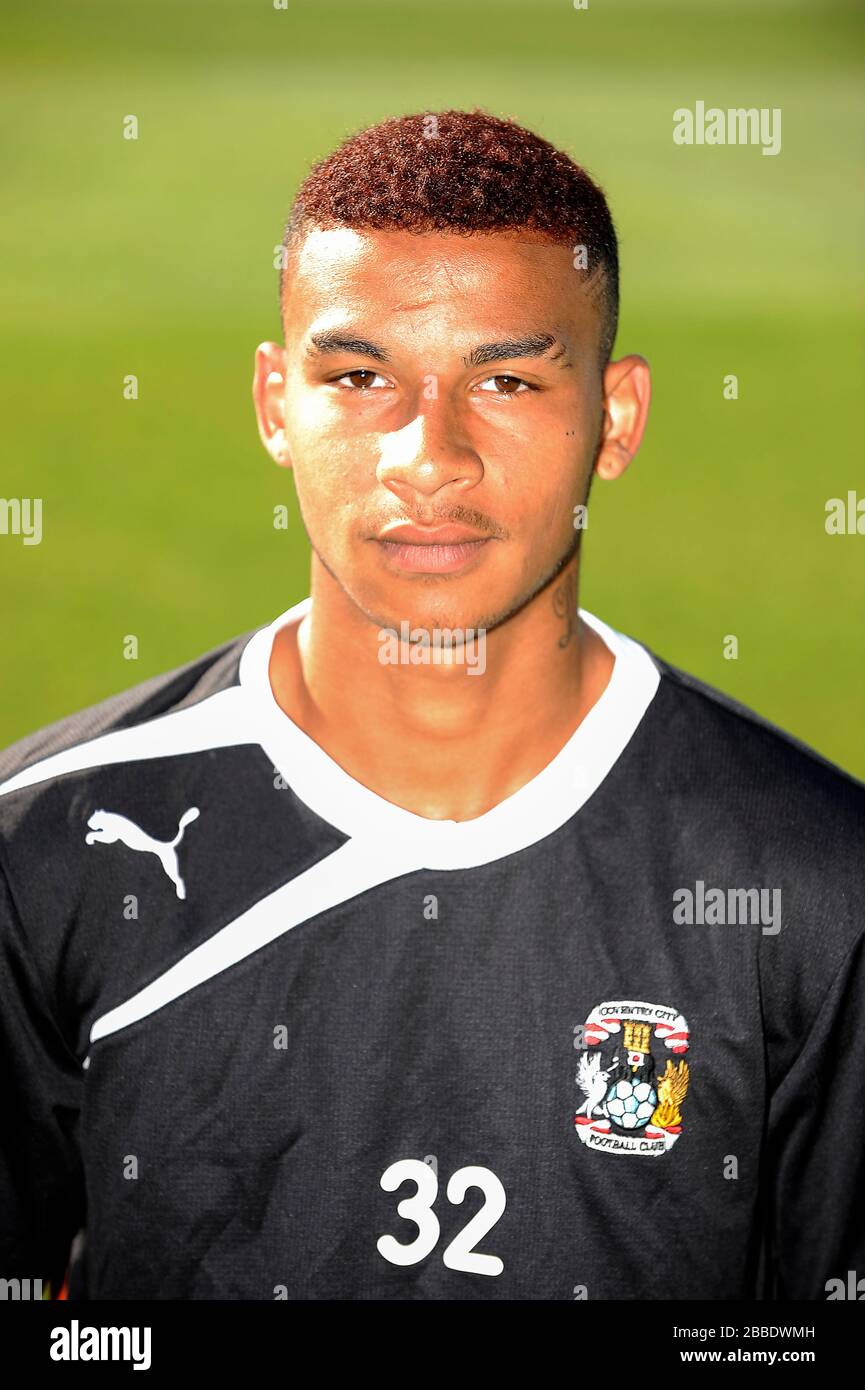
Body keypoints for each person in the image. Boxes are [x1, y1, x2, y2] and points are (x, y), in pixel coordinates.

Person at [1, 110, 862, 1302]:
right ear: (271, 401)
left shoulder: (819, 880)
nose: (429, 453)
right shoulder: (43, 845)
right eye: (359, 378)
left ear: (615, 418)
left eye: (504, 379)